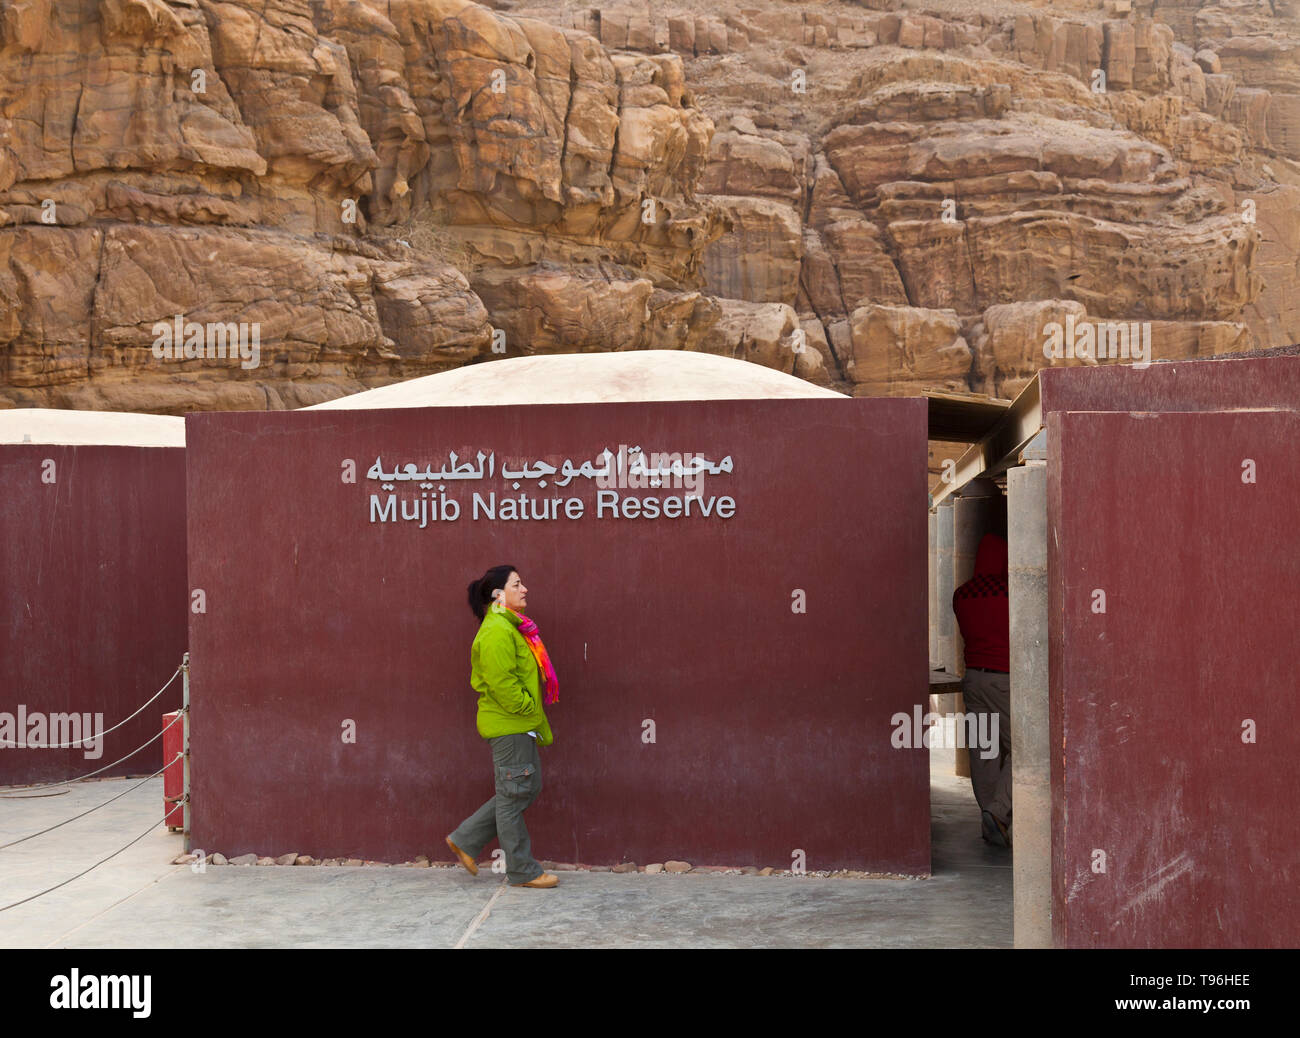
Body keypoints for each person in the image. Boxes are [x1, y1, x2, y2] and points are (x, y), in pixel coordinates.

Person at [446, 565, 560, 889]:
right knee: (513, 795)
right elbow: (503, 683)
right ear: (498, 594)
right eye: (517, 584)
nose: (524, 589)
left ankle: (465, 839)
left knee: (525, 787)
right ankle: (523, 870)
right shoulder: (497, 630)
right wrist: (527, 706)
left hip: (517, 723)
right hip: (511, 723)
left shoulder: (510, 627)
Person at [952, 533, 1012, 848]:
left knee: (984, 753)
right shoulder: (1011, 593)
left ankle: (990, 818)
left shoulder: (961, 595)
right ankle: (998, 812)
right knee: (1026, 749)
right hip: (1006, 679)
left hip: (974, 678)